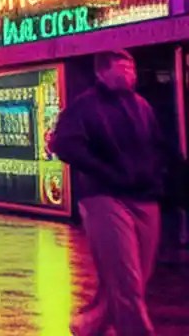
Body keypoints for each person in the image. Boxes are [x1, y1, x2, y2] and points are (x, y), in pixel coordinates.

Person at [52, 50, 167, 336]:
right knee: (126, 279)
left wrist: (159, 176)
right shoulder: (84, 107)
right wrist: (104, 171)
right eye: (121, 68)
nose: (129, 74)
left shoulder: (142, 106)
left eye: (131, 68)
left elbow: (157, 146)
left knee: (138, 276)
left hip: (144, 196)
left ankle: (89, 326)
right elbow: (65, 145)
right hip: (104, 197)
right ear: (102, 72)